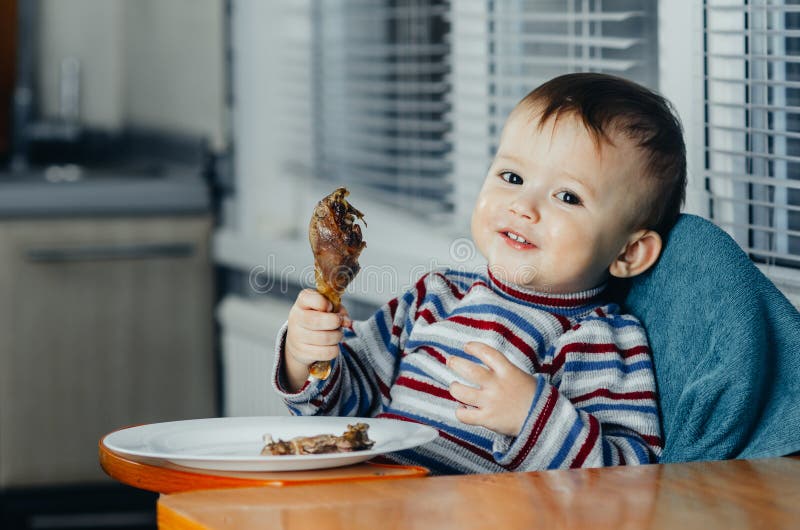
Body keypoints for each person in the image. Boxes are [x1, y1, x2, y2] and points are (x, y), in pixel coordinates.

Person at [272, 73, 686, 475]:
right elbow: (343, 405)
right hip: (373, 498)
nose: (523, 205)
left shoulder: (600, 340)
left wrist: (532, 417)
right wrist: (305, 355)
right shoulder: (435, 296)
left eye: (567, 196)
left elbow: (629, 481)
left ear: (629, 252)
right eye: (512, 177)